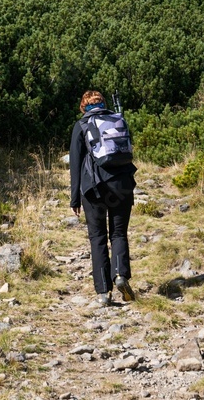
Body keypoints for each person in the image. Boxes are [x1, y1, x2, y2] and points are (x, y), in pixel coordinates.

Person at [69, 89, 137, 307]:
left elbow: (76, 165)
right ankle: (120, 275)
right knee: (118, 233)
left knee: (97, 237)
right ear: (103, 104)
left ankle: (103, 294)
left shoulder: (81, 125)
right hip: (123, 184)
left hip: (94, 188)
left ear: (83, 106)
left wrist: (74, 199)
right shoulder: (118, 119)